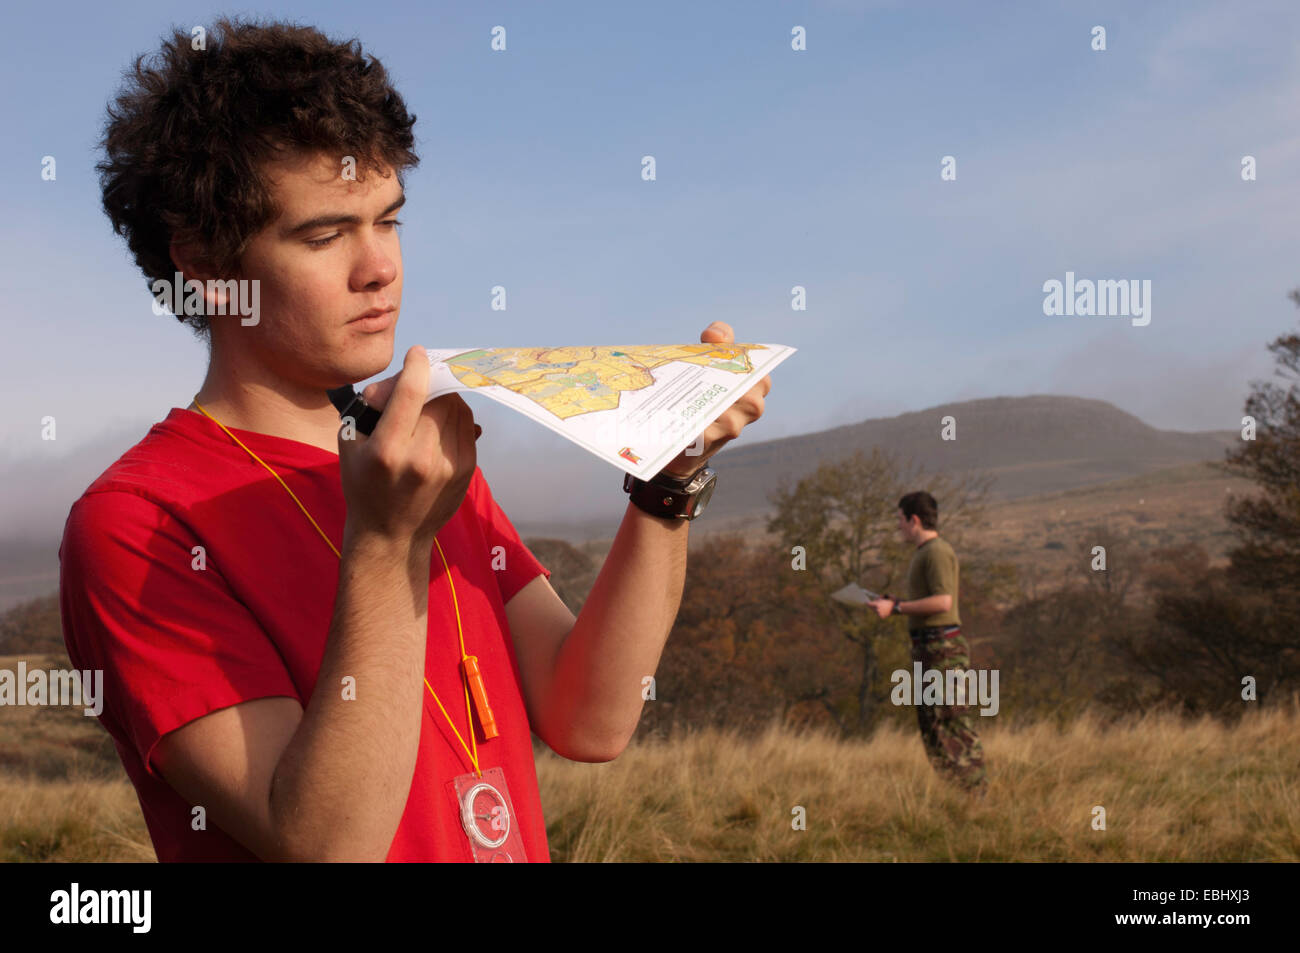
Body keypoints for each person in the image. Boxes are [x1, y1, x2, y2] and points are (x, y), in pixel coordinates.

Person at [58, 18, 771, 862]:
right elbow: (326, 841)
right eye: (325, 235)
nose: (380, 267)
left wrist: (666, 480)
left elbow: (590, 716)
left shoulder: (411, 453)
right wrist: (387, 542)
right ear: (205, 266)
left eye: (388, 221)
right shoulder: (138, 526)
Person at [870, 491, 988, 796]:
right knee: (934, 727)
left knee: (952, 722)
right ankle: (957, 796)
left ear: (914, 520)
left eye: (900, 519)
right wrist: (899, 603)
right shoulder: (924, 553)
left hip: (943, 650)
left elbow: (943, 602)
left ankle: (976, 796)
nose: (898, 527)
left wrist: (896, 609)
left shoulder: (936, 552)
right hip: (929, 648)